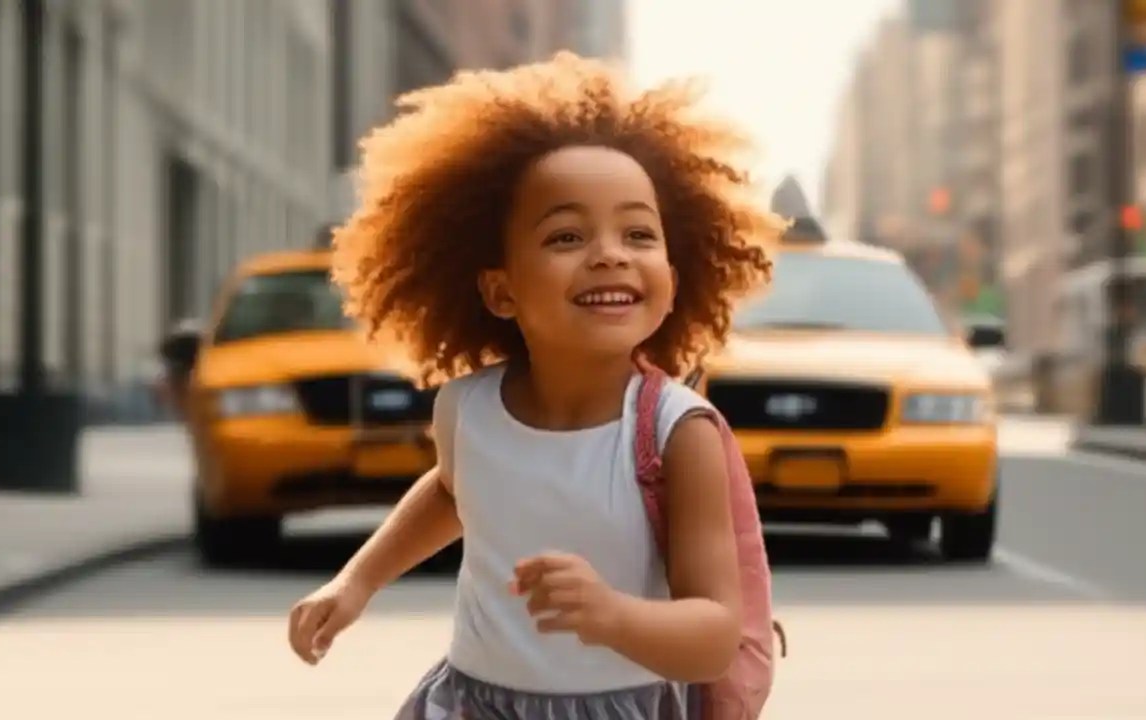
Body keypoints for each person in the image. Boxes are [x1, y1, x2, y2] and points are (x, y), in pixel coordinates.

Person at [287, 51, 783, 718]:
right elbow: (452, 491)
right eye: (567, 236)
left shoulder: (678, 432)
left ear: (673, 279)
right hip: (469, 702)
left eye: (639, 233)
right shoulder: (466, 406)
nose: (610, 254)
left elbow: (714, 638)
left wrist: (611, 615)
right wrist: (356, 583)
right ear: (500, 290)